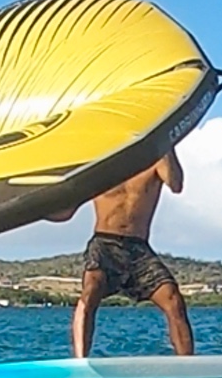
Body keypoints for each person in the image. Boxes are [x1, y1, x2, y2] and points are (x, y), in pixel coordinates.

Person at [45, 150, 193, 358]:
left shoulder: (154, 160)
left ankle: (187, 366)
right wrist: (30, 210)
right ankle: (80, 362)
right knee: (91, 292)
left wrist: (165, 142)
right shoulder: (100, 168)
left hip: (139, 249)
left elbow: (176, 185)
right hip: (105, 244)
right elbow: (66, 212)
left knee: (173, 299)